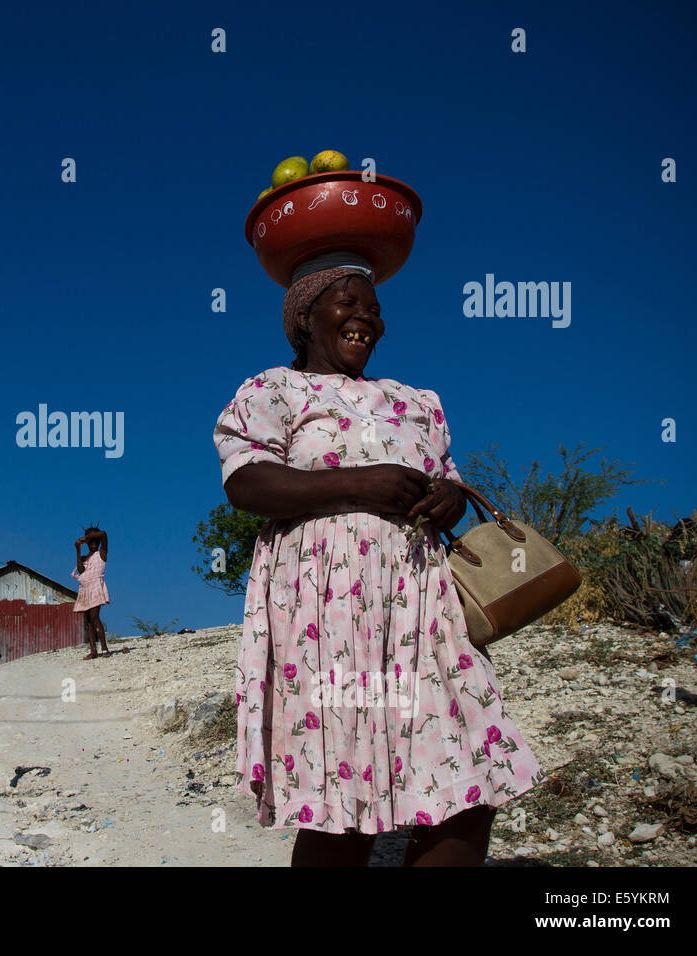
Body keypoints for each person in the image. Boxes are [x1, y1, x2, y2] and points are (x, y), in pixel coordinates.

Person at [212, 251, 542, 866]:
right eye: (349, 302)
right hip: (324, 610)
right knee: (344, 796)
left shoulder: (415, 401)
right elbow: (246, 484)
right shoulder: (275, 390)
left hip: (420, 603)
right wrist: (360, 485)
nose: (367, 318)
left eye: (375, 308)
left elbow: (447, 480)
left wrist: (446, 499)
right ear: (306, 318)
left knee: (467, 773)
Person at [73, 526, 111, 659]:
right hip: (85, 589)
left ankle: (105, 649)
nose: (93, 544)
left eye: (95, 541)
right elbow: (80, 570)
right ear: (87, 544)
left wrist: (87, 537)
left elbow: (104, 533)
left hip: (95, 587)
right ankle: (94, 651)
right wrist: (78, 550)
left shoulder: (102, 553)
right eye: (90, 542)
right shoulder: (85, 557)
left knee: (95, 618)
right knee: (88, 621)